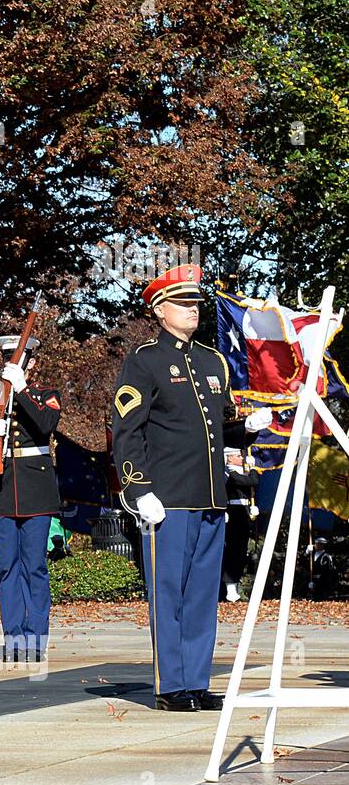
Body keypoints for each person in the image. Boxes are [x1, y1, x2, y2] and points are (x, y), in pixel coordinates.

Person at [111, 264, 272, 711]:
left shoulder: (212, 360)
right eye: (183, 304)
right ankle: (171, 686)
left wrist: (248, 427)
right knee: (169, 592)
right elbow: (127, 430)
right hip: (167, 498)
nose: (193, 310)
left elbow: (219, 426)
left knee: (204, 593)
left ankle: (197, 681)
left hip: (211, 496)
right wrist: (138, 487)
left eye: (196, 303)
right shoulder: (144, 361)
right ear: (161, 310)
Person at [0, 335, 62, 661]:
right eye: (8, 358)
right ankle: (14, 638)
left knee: (35, 567)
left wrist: (23, 388)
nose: (11, 364)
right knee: (7, 568)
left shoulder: (45, 395)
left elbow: (46, 424)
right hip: (2, 491)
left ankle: (35, 639)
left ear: (33, 363)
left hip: (36, 492)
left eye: (19, 359)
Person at [221, 446, 259, 602]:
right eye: (238, 456)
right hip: (233, 511)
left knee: (241, 549)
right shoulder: (228, 472)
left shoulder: (241, 471)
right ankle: (228, 585)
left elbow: (253, 483)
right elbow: (249, 481)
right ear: (229, 458)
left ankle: (234, 584)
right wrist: (253, 469)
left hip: (243, 510)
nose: (242, 458)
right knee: (232, 550)